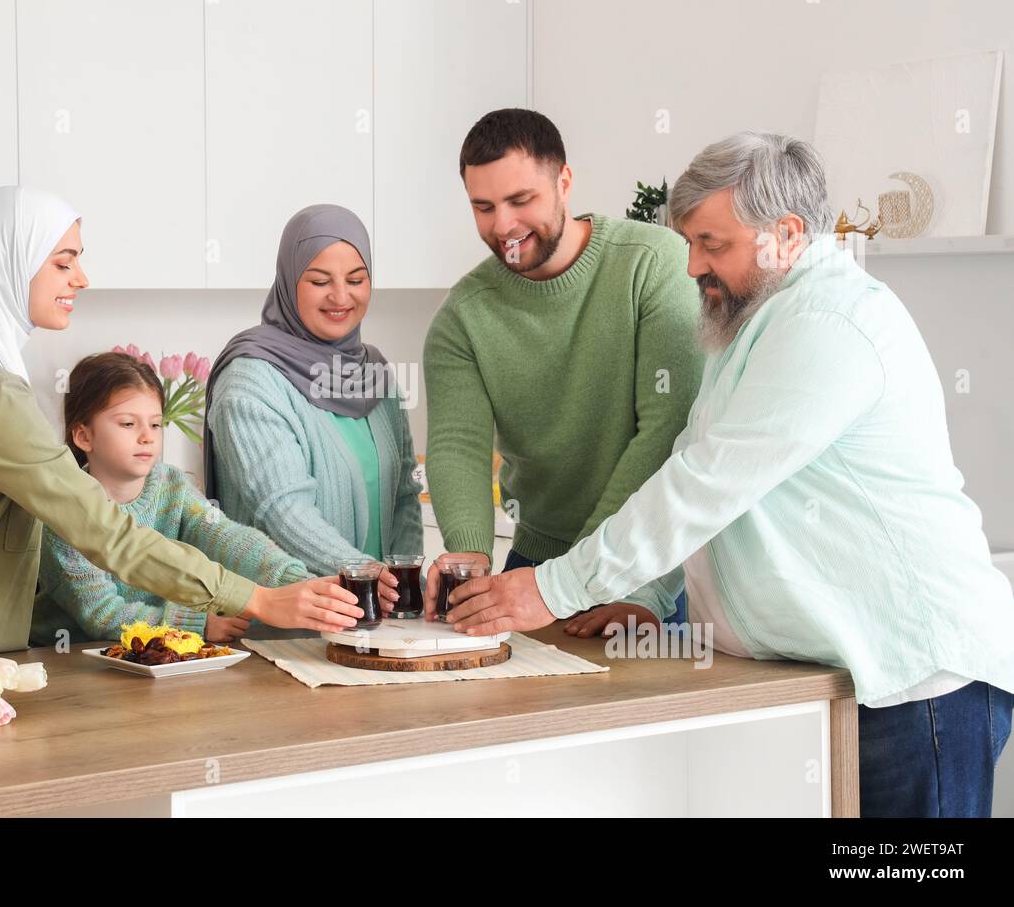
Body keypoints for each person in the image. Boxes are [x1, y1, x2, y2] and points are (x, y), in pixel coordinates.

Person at [438, 132, 1014, 818]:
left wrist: (554, 587)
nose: (692, 266)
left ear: (785, 235)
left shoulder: (827, 325)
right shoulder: (756, 323)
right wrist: (647, 596)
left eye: (713, 245)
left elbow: (705, 489)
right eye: (688, 242)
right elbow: (690, 466)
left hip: (917, 686)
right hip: (848, 679)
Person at [0, 187, 364, 663]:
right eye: (63, 262)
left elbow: (216, 533)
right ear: (4, 264)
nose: (81, 278)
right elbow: (101, 528)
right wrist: (258, 600)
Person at [423, 108, 702, 621]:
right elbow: (457, 443)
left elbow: (667, 427)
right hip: (532, 563)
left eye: (520, 200)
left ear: (564, 182)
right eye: (483, 207)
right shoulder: (462, 315)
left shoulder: (654, 264)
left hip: (643, 565)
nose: (502, 225)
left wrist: (588, 575)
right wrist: (468, 553)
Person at [32, 351, 314, 646]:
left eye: (155, 424)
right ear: (83, 436)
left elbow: (224, 536)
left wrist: (293, 580)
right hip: (68, 660)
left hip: (156, 654)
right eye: (128, 424)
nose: (147, 437)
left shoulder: (173, 485)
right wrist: (196, 624)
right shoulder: (64, 513)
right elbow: (103, 615)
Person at [204, 204, 422, 584]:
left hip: (374, 618)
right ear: (289, 282)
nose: (340, 297)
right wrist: (366, 576)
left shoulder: (374, 372)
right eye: (320, 281)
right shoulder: (249, 380)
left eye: (356, 280)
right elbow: (283, 509)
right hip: (286, 628)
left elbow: (405, 494)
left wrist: (405, 584)